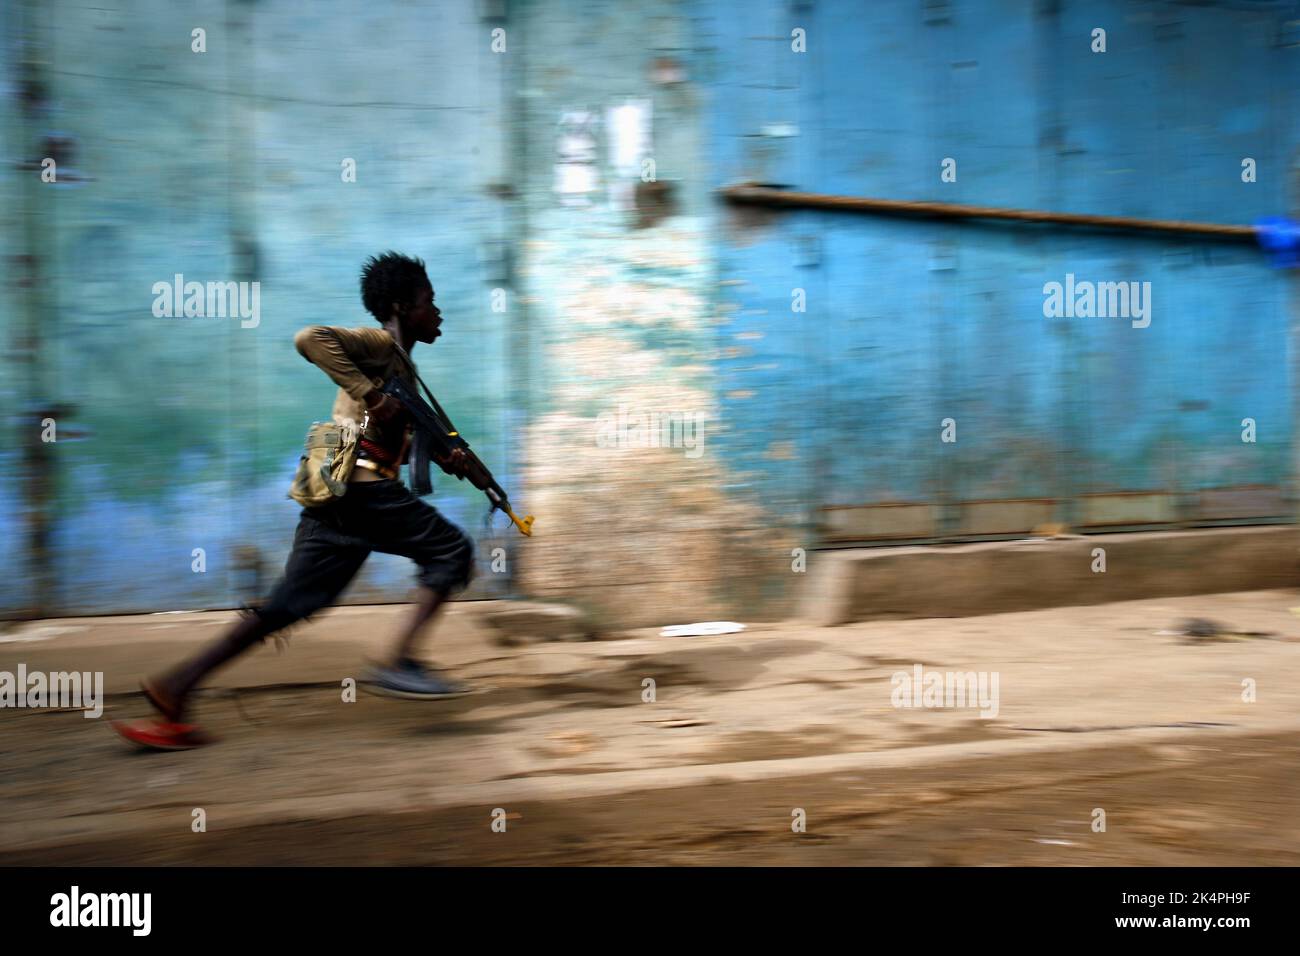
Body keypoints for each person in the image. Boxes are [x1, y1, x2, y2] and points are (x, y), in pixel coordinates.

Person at [116, 252, 476, 750]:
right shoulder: (377, 344)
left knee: (288, 605)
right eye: (429, 302)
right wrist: (372, 397)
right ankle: (398, 663)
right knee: (453, 551)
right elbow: (309, 339)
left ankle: (174, 688)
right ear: (400, 306)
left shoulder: (401, 366)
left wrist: (443, 456)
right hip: (364, 490)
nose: (437, 313)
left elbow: (388, 433)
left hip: (337, 492)